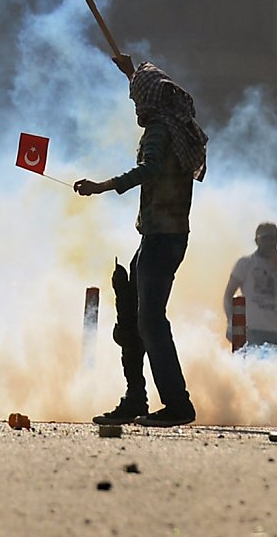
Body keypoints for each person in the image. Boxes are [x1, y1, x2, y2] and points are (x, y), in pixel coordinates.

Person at [74, 53, 207, 428]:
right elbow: (151, 89)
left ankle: (177, 404)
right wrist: (130, 72)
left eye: (136, 98)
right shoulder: (176, 126)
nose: (135, 105)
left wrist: (102, 186)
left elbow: (149, 169)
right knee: (132, 319)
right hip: (163, 236)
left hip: (161, 239)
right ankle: (135, 398)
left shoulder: (159, 133)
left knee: (149, 319)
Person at [223, 222, 277, 348]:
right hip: (251, 330)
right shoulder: (246, 264)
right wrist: (232, 322)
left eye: (272, 238)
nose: (269, 242)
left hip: (276, 332)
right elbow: (228, 294)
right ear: (257, 240)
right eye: (265, 238)